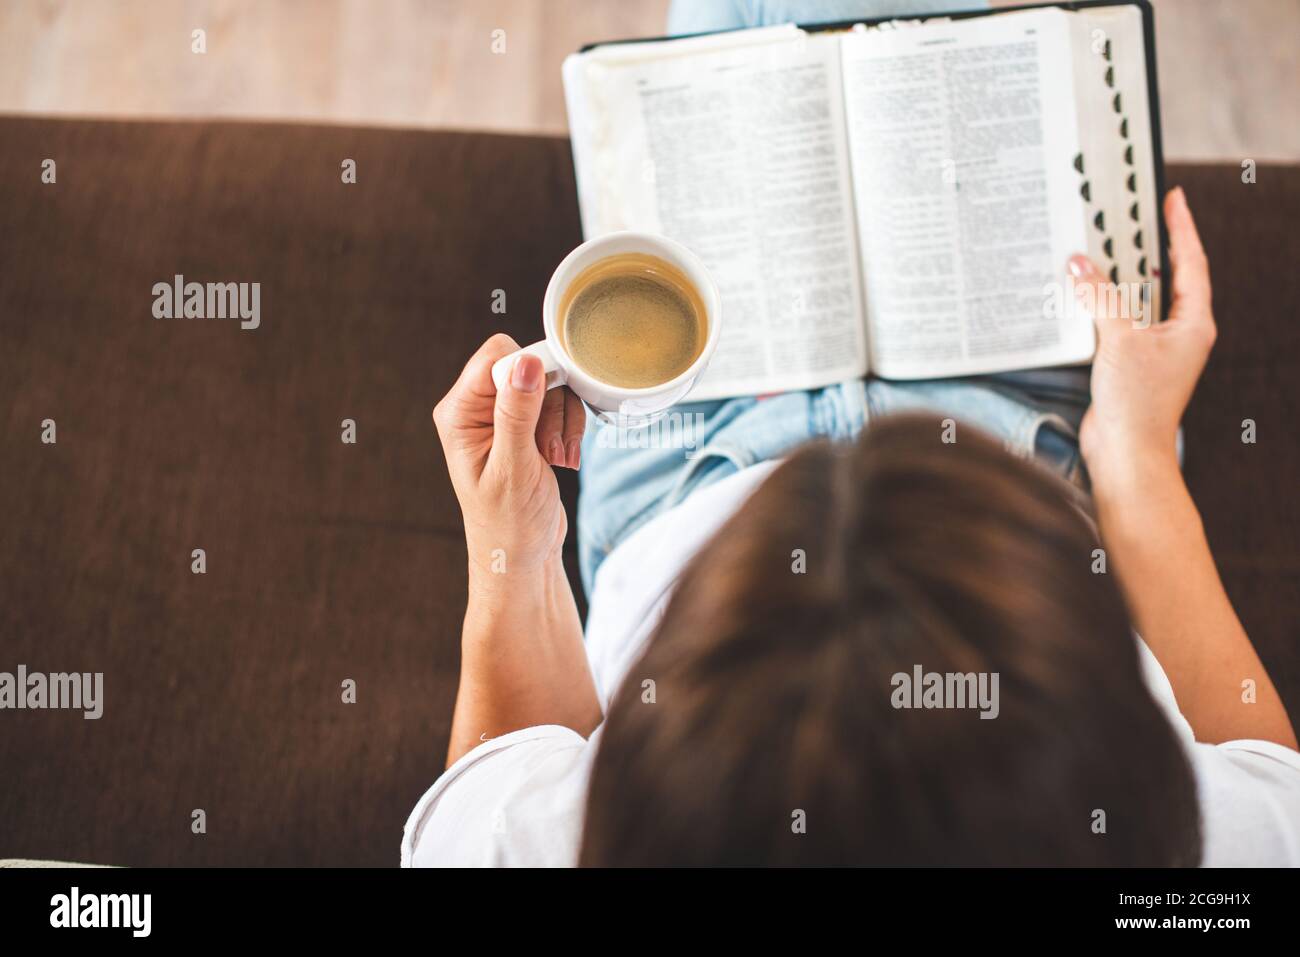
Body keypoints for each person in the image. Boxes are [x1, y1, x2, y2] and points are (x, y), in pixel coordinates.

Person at [403, 2, 1300, 866]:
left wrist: (515, 550)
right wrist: (1133, 448)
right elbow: (1268, 777)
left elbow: (520, 760)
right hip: (1032, 443)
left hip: (680, 455)